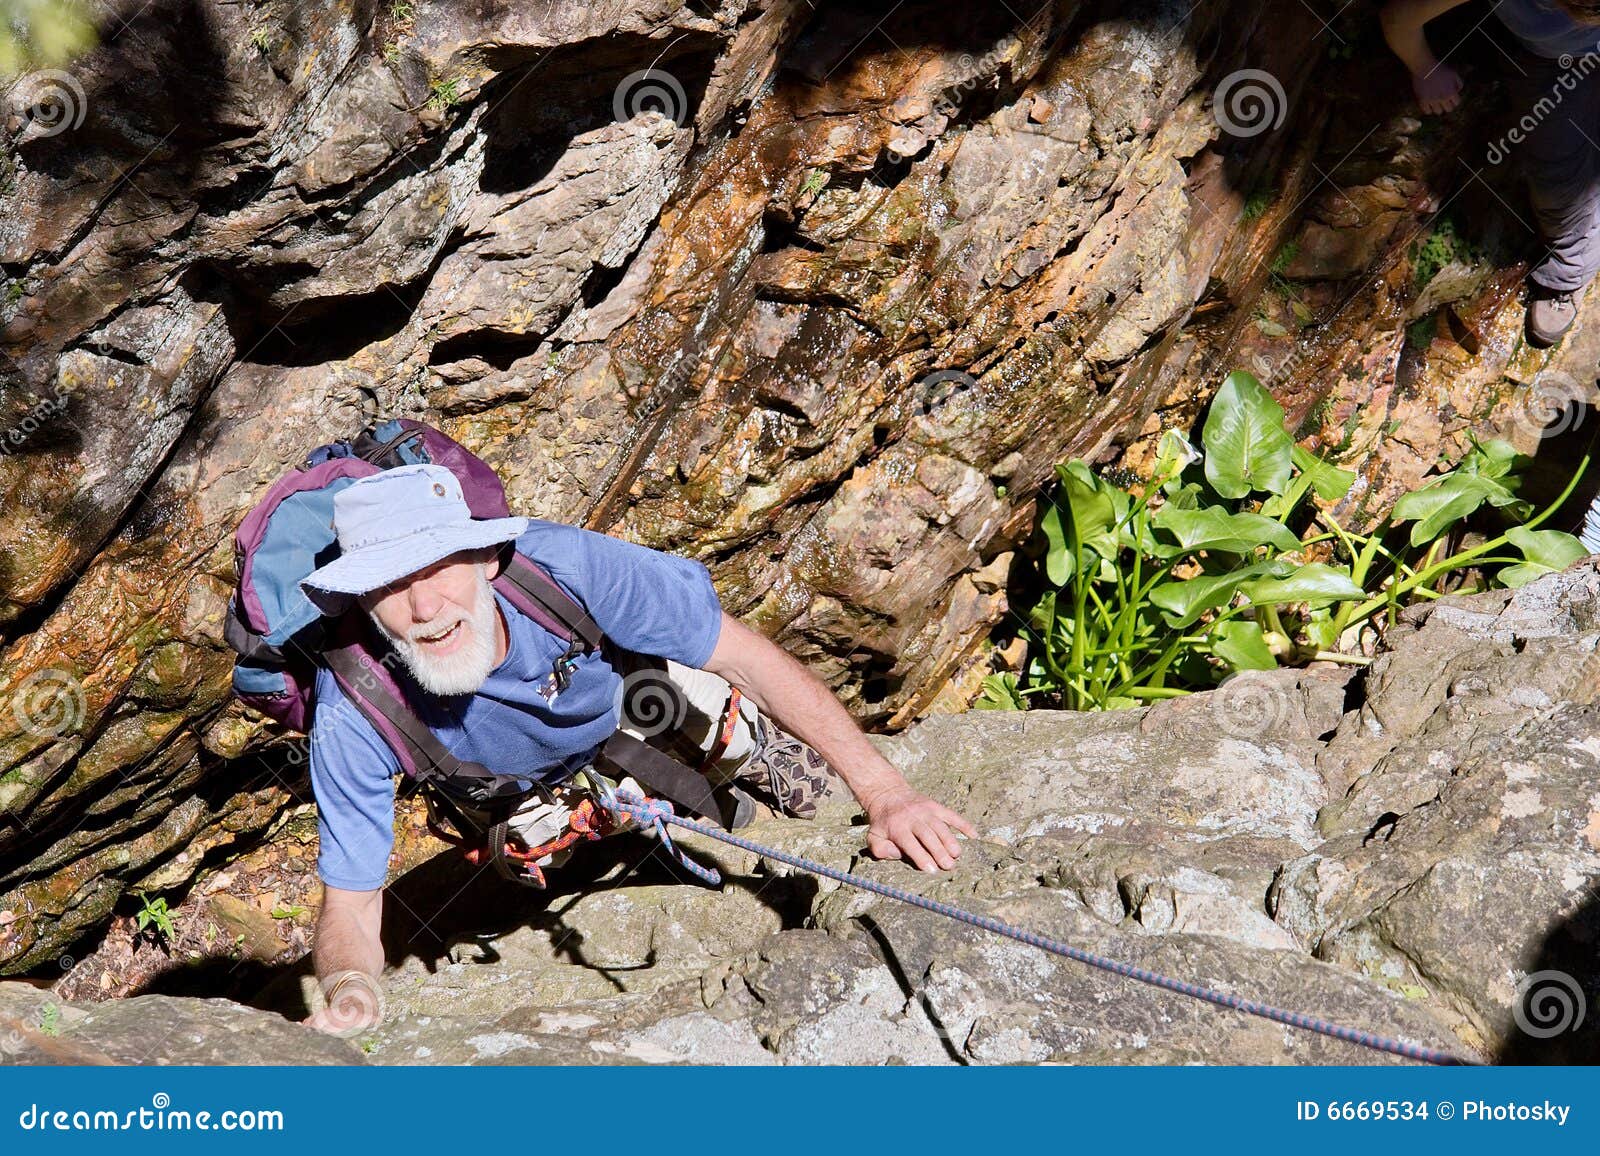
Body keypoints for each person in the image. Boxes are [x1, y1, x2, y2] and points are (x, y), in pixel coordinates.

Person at [297, 463, 975, 1033]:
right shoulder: (355, 709)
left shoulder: (564, 571)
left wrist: (886, 794)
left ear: (483, 555)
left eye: (437, 566)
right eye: (388, 584)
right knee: (532, 845)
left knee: (702, 706)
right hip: (524, 796)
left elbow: (746, 661)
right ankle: (619, 825)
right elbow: (352, 906)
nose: (423, 608)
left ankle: (750, 760)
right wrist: (352, 987)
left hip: (637, 711)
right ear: (360, 603)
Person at [1381, 0, 1600, 345]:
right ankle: (1570, 270)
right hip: (1553, 63)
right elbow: (1400, 17)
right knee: (1558, 180)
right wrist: (1424, 68)